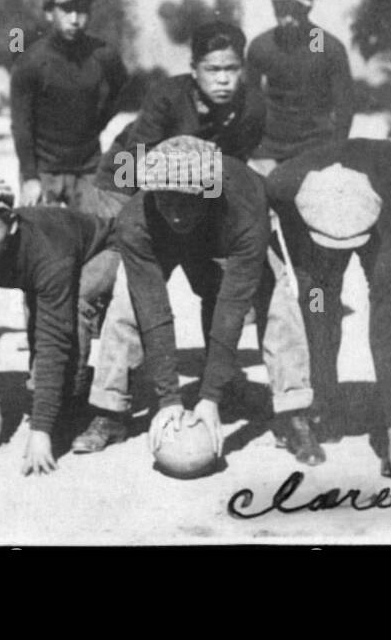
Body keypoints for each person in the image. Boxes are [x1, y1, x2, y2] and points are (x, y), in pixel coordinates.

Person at [72, 21, 287, 454]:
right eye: (212, 69)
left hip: (203, 200)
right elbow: (138, 168)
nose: (223, 79)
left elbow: (234, 170)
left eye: (231, 69)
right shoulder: (165, 97)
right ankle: (109, 409)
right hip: (139, 190)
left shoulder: (254, 108)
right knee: (127, 299)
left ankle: (230, 388)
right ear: (194, 70)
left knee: (236, 286)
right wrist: (145, 240)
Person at [103, 136, 315, 468]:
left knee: (278, 303)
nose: (174, 214)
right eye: (165, 200)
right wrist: (169, 399)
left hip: (224, 235)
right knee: (125, 305)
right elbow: (153, 310)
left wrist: (209, 396)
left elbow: (233, 304)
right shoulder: (135, 220)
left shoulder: (244, 203)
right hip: (168, 242)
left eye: (187, 201)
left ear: (211, 190)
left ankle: (292, 411)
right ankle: (109, 409)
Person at [265, 139, 391, 480]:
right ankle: (320, 404)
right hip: (313, 227)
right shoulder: (284, 187)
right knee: (318, 300)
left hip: (390, 216)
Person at [0, 174, 115, 475]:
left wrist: (40, 430)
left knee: (72, 308)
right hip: (45, 261)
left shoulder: (47, 249)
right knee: (40, 310)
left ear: (11, 225)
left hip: (105, 247)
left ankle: (85, 404)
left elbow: (53, 336)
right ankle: (61, 394)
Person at [10, 0, 131, 211]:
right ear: (49, 14)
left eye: (82, 11)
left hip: (88, 168)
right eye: (66, 11)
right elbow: (21, 124)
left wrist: (98, 122)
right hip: (44, 171)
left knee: (100, 235)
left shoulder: (103, 54)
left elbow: (122, 88)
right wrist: (30, 177)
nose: (75, 20)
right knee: (43, 239)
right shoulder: (31, 61)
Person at [245, 0, 355, 175]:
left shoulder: (322, 43)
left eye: (294, 11)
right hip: (270, 145)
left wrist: (336, 151)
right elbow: (250, 99)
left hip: (314, 144)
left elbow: (344, 105)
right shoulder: (262, 46)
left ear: (307, 9)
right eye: (280, 10)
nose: (287, 19)